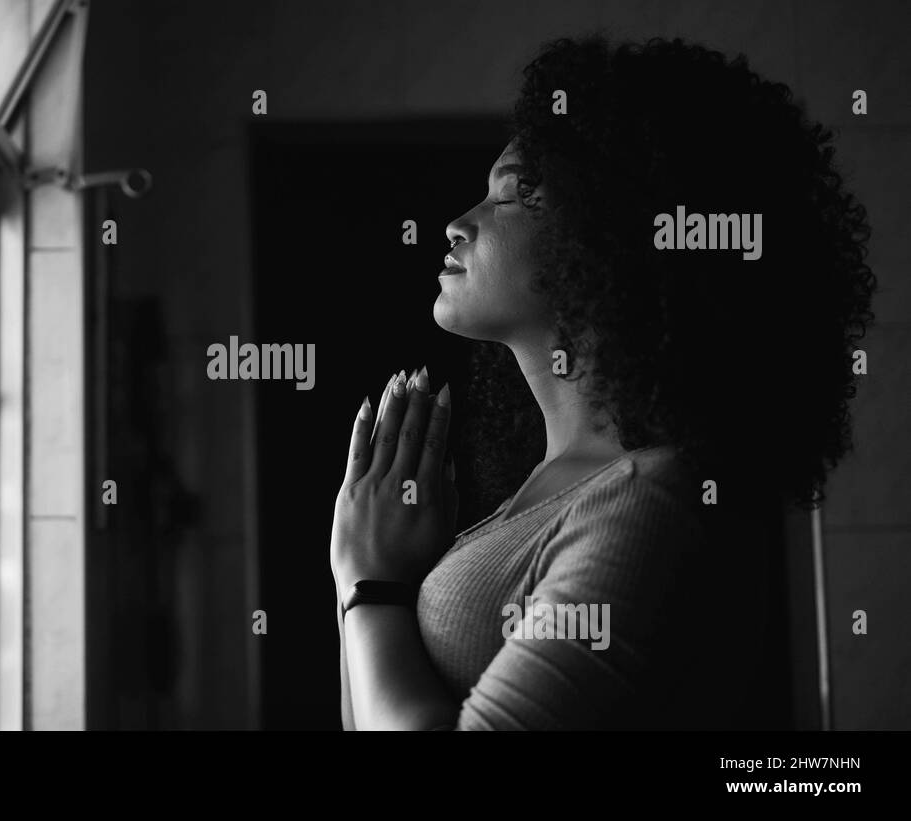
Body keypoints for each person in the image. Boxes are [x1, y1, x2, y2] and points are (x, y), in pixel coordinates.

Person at [330, 35, 876, 730]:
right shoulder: (549, 493)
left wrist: (368, 583)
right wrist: (366, 573)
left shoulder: (649, 500)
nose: (457, 224)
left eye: (515, 194)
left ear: (610, 234)